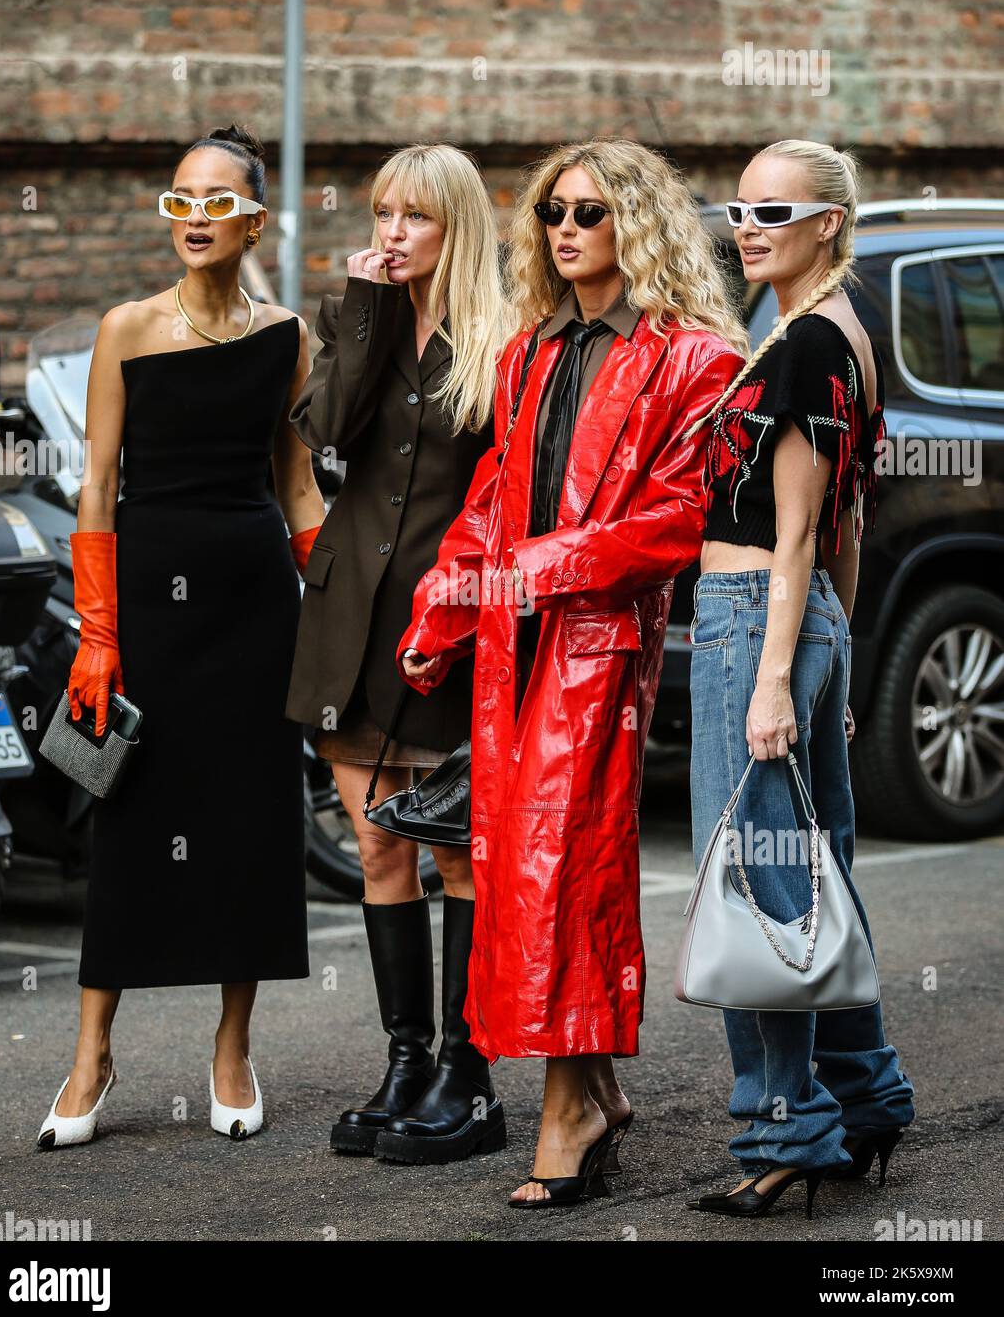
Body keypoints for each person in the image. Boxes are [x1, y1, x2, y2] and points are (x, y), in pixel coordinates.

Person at [398, 138, 747, 1206]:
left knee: (567, 868)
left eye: (588, 213)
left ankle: (568, 1109)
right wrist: (441, 607)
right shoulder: (529, 354)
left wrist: (540, 570)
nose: (564, 229)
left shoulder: (695, 360)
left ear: (633, 224)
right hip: (511, 642)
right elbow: (494, 497)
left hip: (599, 643)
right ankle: (588, 1083)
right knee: (522, 871)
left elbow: (675, 520)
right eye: (552, 210)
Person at [37, 124, 322, 1150]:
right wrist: (99, 629)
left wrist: (329, 599)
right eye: (179, 200)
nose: (195, 218)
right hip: (150, 600)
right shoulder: (126, 327)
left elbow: (295, 480)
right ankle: (91, 1054)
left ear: (254, 218)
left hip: (253, 601)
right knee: (127, 812)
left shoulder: (290, 335)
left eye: (216, 201)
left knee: (248, 821)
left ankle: (232, 1046)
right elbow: (98, 480)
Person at [685, 139, 915, 1220]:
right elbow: (845, 531)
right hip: (803, 623)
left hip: (751, 622)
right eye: (737, 208)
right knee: (812, 864)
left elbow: (792, 538)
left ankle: (787, 1128)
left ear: (829, 222)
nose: (746, 226)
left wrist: (776, 678)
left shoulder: (804, 342)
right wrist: (835, 649)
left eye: (773, 210)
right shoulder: (842, 339)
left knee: (758, 880)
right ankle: (866, 1096)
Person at [286, 144, 509, 1163]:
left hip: (451, 626)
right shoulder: (349, 320)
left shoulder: (506, 338)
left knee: (458, 849)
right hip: (350, 622)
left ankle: (468, 1069)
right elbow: (324, 433)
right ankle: (405, 1059)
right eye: (381, 213)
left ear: (453, 226)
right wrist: (368, 315)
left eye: (413, 217)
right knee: (379, 846)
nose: (389, 233)